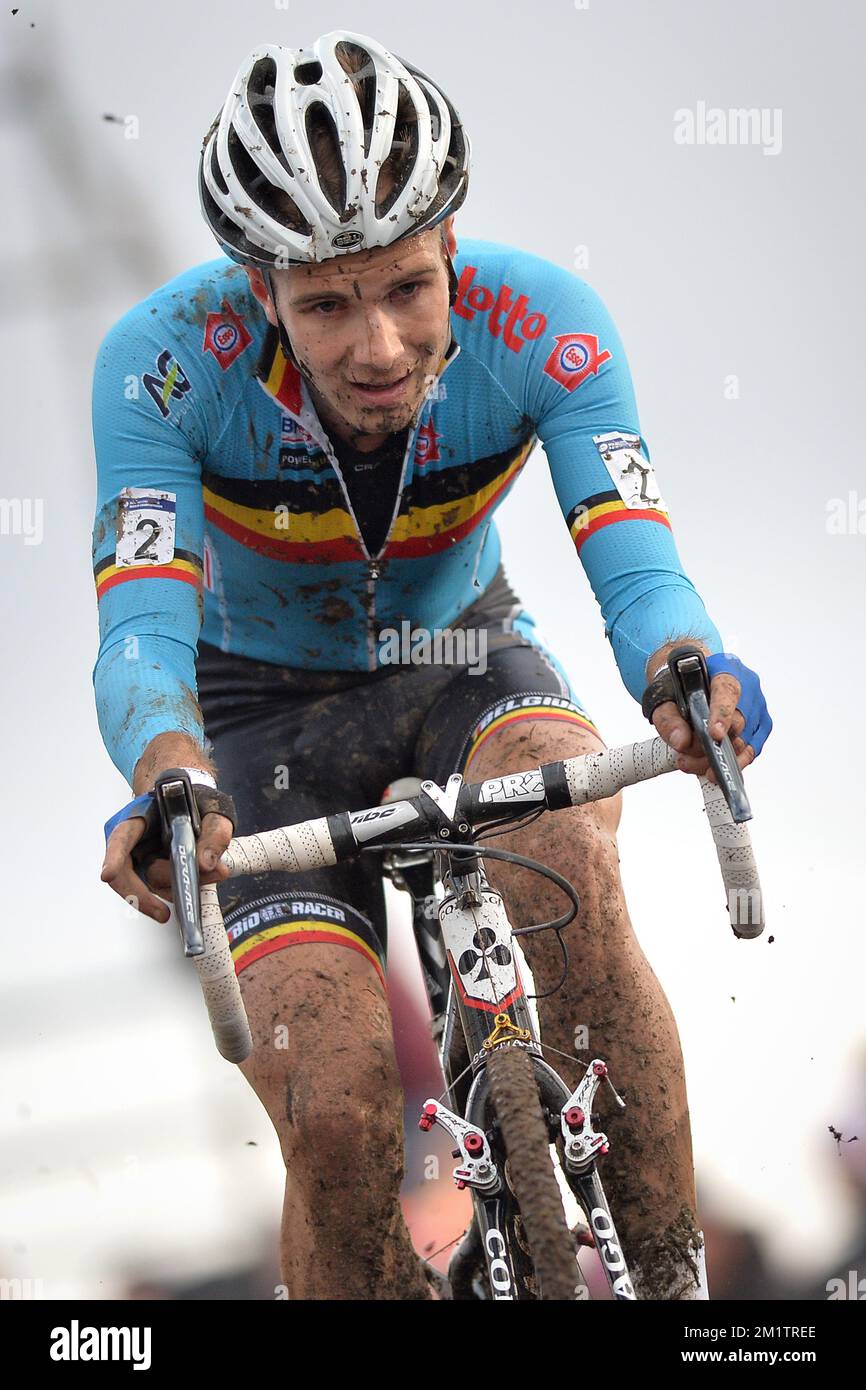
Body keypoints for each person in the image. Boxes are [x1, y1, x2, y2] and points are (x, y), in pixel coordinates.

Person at [93, 30, 772, 1301]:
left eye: (408, 286)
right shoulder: (163, 364)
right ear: (258, 290)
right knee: (337, 1107)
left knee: (569, 857)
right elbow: (139, 623)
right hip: (256, 722)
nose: (380, 347)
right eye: (325, 304)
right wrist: (166, 770)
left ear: (451, 242)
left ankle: (677, 1294)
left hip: (467, 655)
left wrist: (685, 668)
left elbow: (633, 562)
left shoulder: (544, 322)